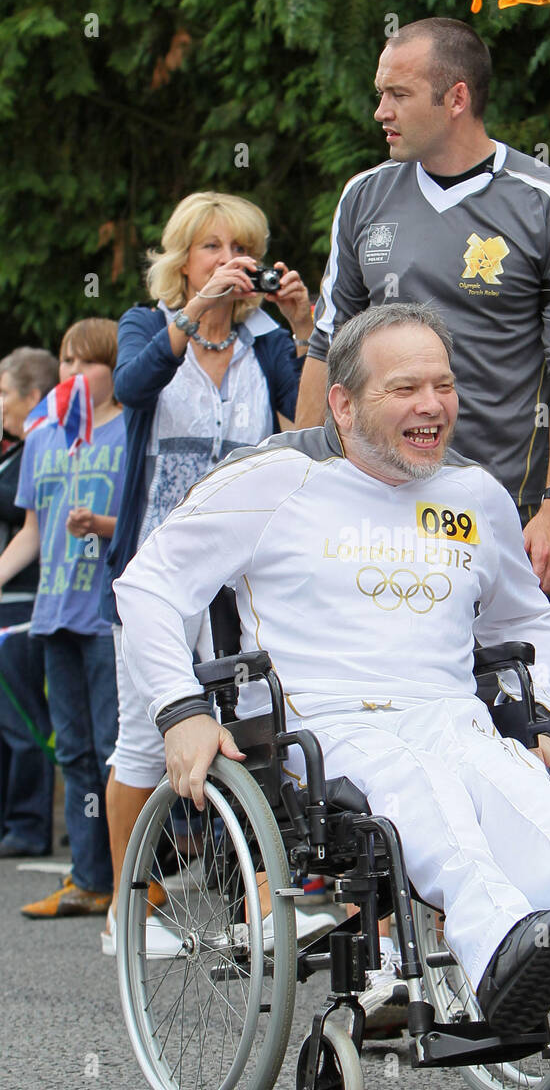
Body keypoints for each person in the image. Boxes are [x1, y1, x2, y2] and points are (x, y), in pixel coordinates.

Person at [114, 303, 550, 1034]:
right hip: (320, 724)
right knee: (421, 792)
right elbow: (149, 587)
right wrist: (181, 710)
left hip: (451, 712)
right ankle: (500, 951)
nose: (432, 407)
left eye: (443, 387)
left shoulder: (472, 494)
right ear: (344, 403)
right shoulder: (272, 479)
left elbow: (520, 618)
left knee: (526, 795)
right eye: (406, 389)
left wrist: (535, 714)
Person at [294, 17, 550, 594]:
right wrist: (303, 477)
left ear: (456, 97)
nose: (380, 111)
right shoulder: (364, 195)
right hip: (370, 505)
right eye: (380, 93)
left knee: (496, 679)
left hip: (498, 506)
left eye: (398, 94)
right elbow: (327, 343)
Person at [96, 190, 330, 956]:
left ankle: (266, 897)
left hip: (246, 563)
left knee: (263, 717)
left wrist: (302, 327)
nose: (230, 261)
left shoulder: (266, 340)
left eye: (242, 248)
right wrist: (196, 315)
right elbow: (132, 386)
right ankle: (126, 911)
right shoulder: (148, 324)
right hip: (161, 561)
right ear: (184, 259)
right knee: (142, 732)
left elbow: (309, 429)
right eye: (212, 247)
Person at [0, 319, 125, 915]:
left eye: (88, 362)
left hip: (107, 613)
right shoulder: (44, 438)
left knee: (114, 750)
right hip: (54, 613)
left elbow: (152, 523)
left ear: (114, 370)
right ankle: (89, 879)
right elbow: (31, 533)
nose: (74, 373)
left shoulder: (131, 430)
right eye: (67, 362)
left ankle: (132, 879)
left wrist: (101, 528)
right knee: (72, 751)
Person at [0, 348, 59, 856]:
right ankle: (12, 821)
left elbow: (31, 526)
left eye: (4, 393)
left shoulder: (41, 447)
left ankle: (28, 824)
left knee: (24, 722)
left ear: (32, 398)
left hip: (24, 603)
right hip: (11, 599)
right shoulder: (14, 451)